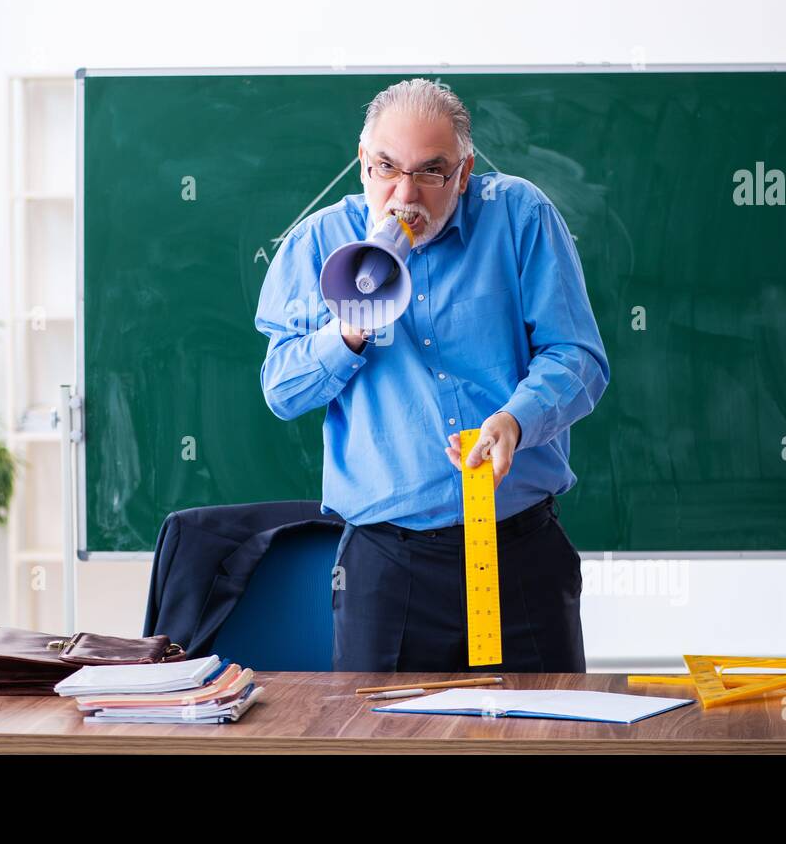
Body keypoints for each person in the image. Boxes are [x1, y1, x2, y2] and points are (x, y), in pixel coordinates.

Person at [254, 78, 609, 672]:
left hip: (516, 549)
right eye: (387, 168)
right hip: (386, 569)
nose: (404, 194)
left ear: (464, 173)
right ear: (363, 163)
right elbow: (282, 391)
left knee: (546, 738)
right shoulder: (318, 243)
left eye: (430, 172)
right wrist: (348, 330)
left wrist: (514, 422)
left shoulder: (519, 215)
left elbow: (577, 356)